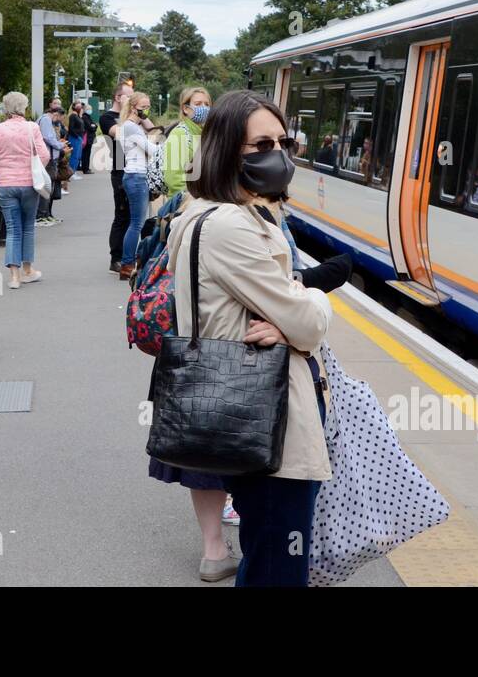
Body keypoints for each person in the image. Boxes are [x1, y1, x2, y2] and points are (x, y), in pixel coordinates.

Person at [165, 89, 333, 587]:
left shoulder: (215, 215)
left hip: (254, 413)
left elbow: (291, 314)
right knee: (277, 570)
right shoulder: (230, 227)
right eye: (260, 144)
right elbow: (309, 322)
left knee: (268, 558)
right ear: (225, 151)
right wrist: (312, 305)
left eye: (283, 141)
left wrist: (293, 313)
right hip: (269, 418)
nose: (276, 153)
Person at [0, 91, 49, 289]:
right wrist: (35, 172)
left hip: (6, 184)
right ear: (23, 107)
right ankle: (28, 270)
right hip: (29, 184)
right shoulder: (32, 128)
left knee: (12, 229)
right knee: (28, 227)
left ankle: (14, 277)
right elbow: (44, 155)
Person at [118, 91, 153, 281]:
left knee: (136, 222)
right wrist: (168, 146)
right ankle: (128, 264)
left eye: (148, 106)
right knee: (137, 223)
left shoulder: (129, 125)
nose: (146, 110)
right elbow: (152, 150)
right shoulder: (132, 127)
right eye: (144, 107)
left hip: (134, 175)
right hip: (137, 176)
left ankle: (129, 262)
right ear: (133, 107)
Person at [100, 82, 134, 273]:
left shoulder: (132, 118)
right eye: (129, 96)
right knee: (122, 215)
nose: (132, 100)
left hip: (137, 170)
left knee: (134, 217)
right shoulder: (107, 118)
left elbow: (154, 131)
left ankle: (130, 255)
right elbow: (119, 134)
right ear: (118, 97)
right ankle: (116, 258)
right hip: (120, 171)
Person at [162, 86, 210, 197]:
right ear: (185, 109)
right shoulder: (180, 134)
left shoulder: (204, 135)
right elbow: (174, 179)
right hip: (185, 205)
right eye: (198, 104)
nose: (204, 108)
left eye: (207, 104)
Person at [37, 102, 68, 226]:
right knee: (47, 187)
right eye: (60, 118)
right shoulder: (45, 120)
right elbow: (48, 138)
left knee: (50, 187)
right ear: (55, 114)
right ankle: (41, 215)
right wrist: (61, 145)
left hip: (51, 158)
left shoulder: (46, 120)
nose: (59, 121)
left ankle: (47, 214)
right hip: (48, 159)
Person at [67, 102, 86, 179]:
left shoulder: (78, 116)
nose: (80, 107)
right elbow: (71, 128)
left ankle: (73, 171)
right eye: (78, 106)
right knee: (74, 156)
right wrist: (77, 136)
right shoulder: (72, 116)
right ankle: (71, 173)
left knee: (78, 156)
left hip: (79, 138)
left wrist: (81, 115)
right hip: (74, 138)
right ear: (74, 107)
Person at [80, 103, 95, 174]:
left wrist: (93, 126)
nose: (90, 110)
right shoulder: (85, 117)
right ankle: (85, 168)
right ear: (85, 110)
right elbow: (90, 127)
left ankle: (86, 168)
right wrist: (93, 126)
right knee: (86, 153)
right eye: (88, 109)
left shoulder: (88, 117)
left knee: (87, 153)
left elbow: (94, 125)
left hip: (89, 138)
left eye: (90, 109)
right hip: (87, 138)